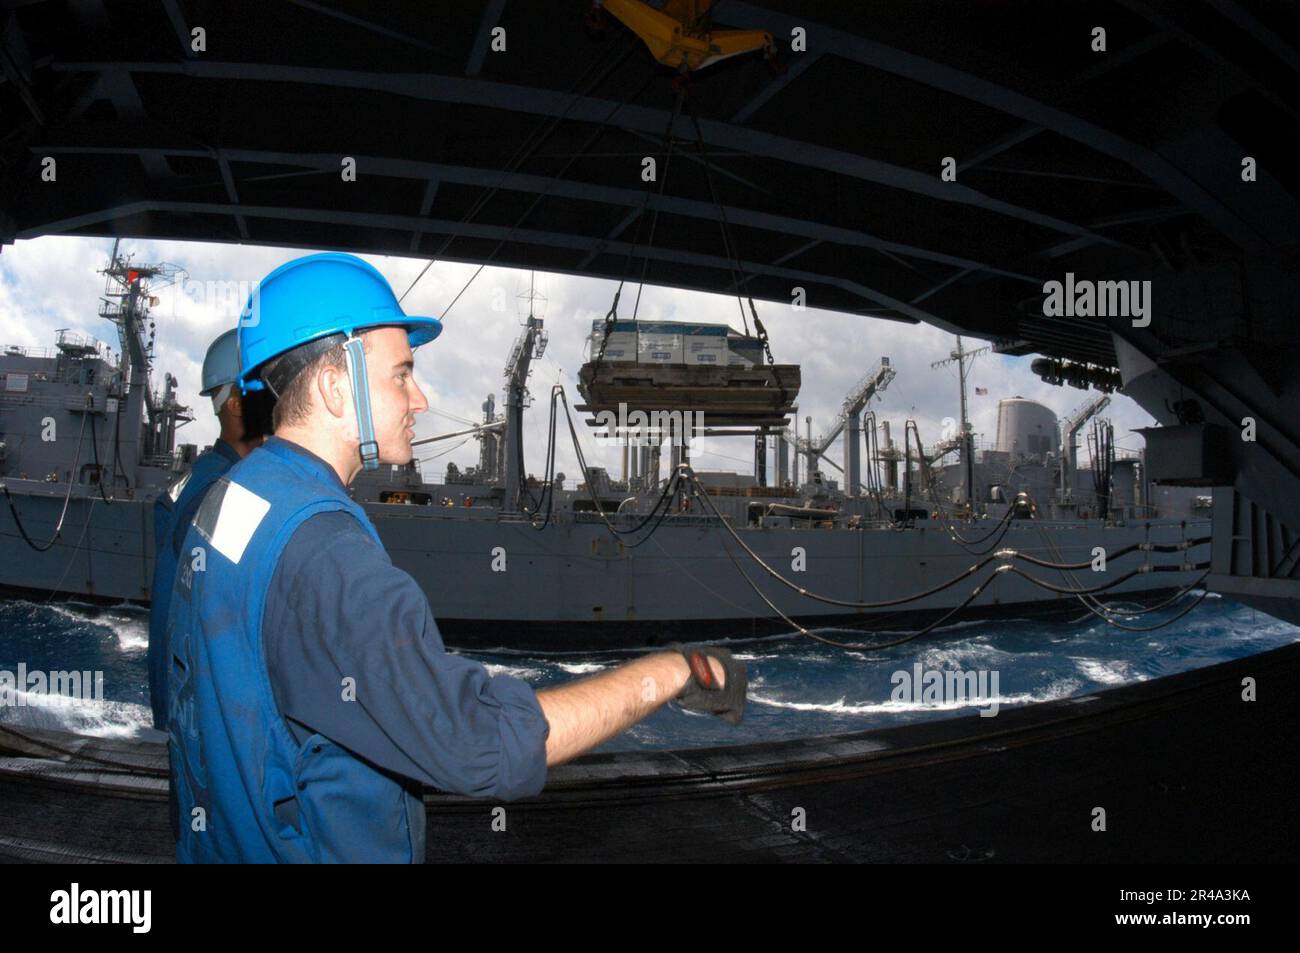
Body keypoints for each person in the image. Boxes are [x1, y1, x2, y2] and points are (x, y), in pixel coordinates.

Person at [165, 252, 746, 863]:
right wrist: (670, 673)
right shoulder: (330, 558)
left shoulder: (232, 494)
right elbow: (481, 746)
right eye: (400, 374)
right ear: (338, 387)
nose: (420, 397)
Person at [147, 328, 272, 730]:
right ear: (237, 403)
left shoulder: (199, 480)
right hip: (212, 729)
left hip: (189, 719)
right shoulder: (228, 494)